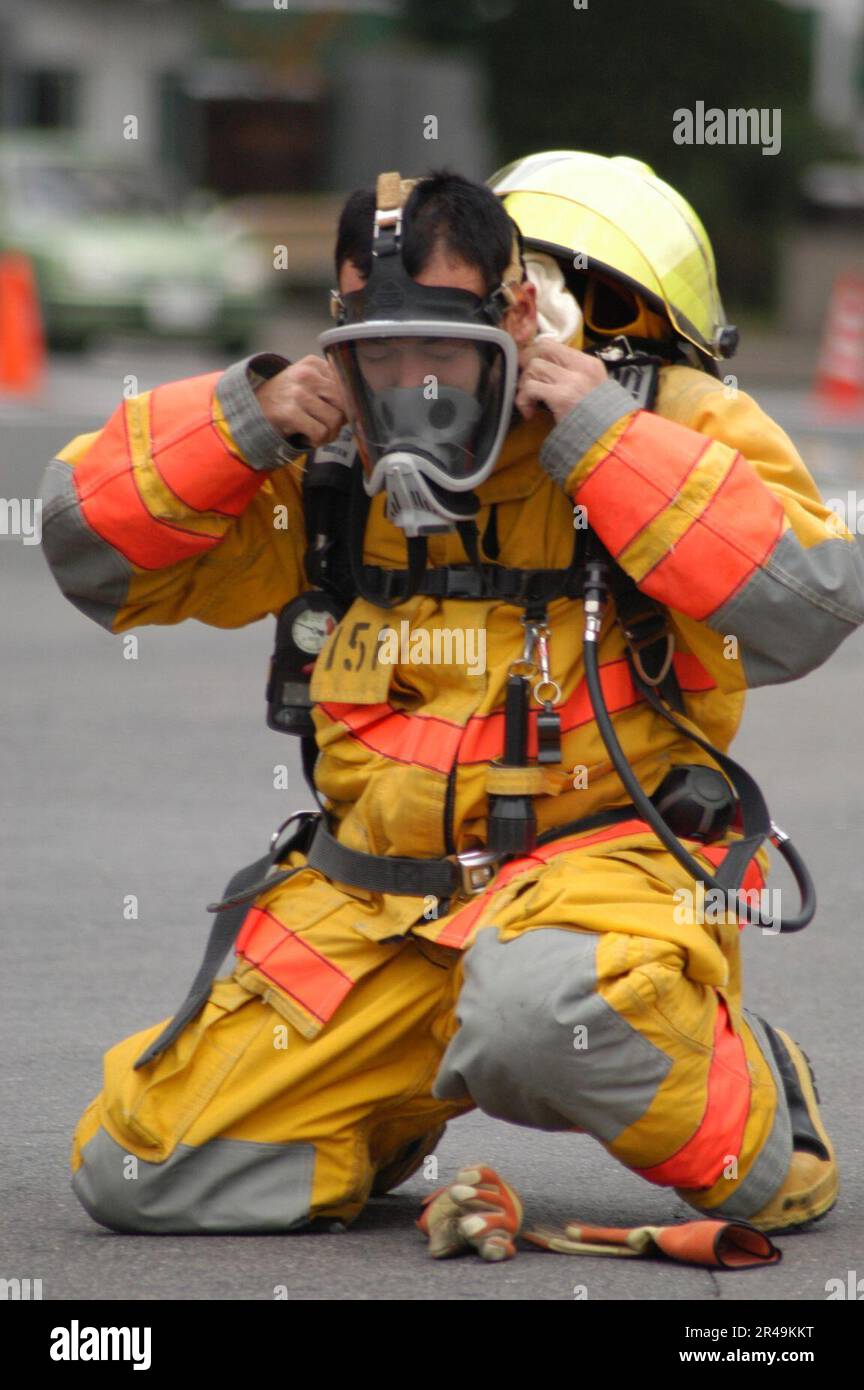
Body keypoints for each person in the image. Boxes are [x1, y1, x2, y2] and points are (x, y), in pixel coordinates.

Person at [41, 156, 862, 1252]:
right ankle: (382, 1105)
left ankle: (766, 1111)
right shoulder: (324, 455)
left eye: (448, 353)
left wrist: (601, 437)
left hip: (591, 887)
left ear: (517, 317)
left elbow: (807, 602)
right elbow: (91, 556)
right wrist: (245, 416)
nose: (416, 388)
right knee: (137, 1171)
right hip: (373, 911)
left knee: (537, 1009)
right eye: (381, 353)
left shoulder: (656, 418)